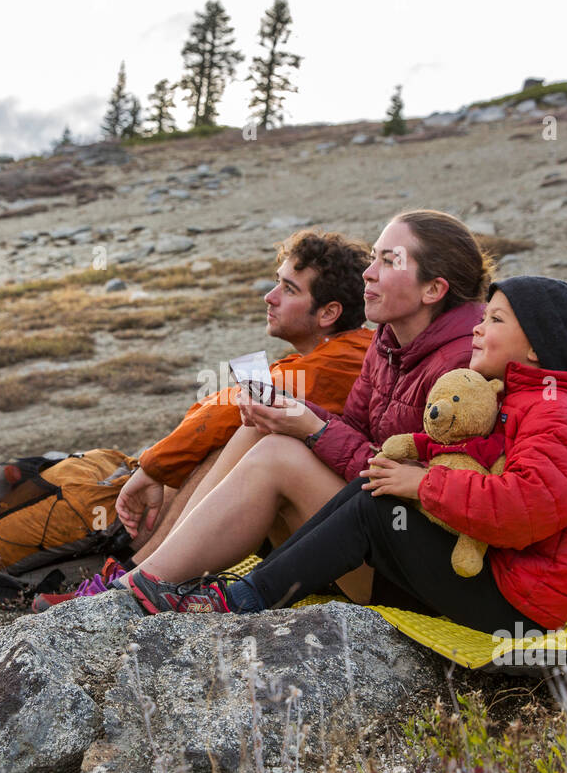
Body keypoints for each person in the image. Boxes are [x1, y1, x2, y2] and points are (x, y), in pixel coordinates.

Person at [137, 275, 567, 636]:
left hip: (518, 606)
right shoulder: (508, 399)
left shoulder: (556, 415)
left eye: (495, 320)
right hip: (489, 578)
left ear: (534, 345)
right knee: (373, 489)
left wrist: (421, 485)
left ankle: (241, 600)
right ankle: (243, 588)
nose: (477, 329)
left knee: (378, 505)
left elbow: (522, 510)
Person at [114, 209, 495, 611]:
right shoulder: (389, 340)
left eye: (389, 261)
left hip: (419, 572)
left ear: (433, 290)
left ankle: (132, 594)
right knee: (266, 430)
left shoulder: (463, 366)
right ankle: (151, 575)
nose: (368, 273)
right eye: (373, 256)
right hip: (372, 537)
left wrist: (313, 428)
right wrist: (295, 414)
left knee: (280, 454)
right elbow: (355, 429)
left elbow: (429, 489)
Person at [34, 229, 373, 610]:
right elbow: (224, 409)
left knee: (256, 428)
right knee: (238, 433)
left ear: (328, 313)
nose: (270, 297)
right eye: (277, 283)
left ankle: (135, 583)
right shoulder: (333, 354)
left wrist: (153, 468)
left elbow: (230, 409)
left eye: (289, 289)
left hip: (355, 556)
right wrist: (159, 467)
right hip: (333, 534)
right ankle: (136, 575)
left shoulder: (345, 361)